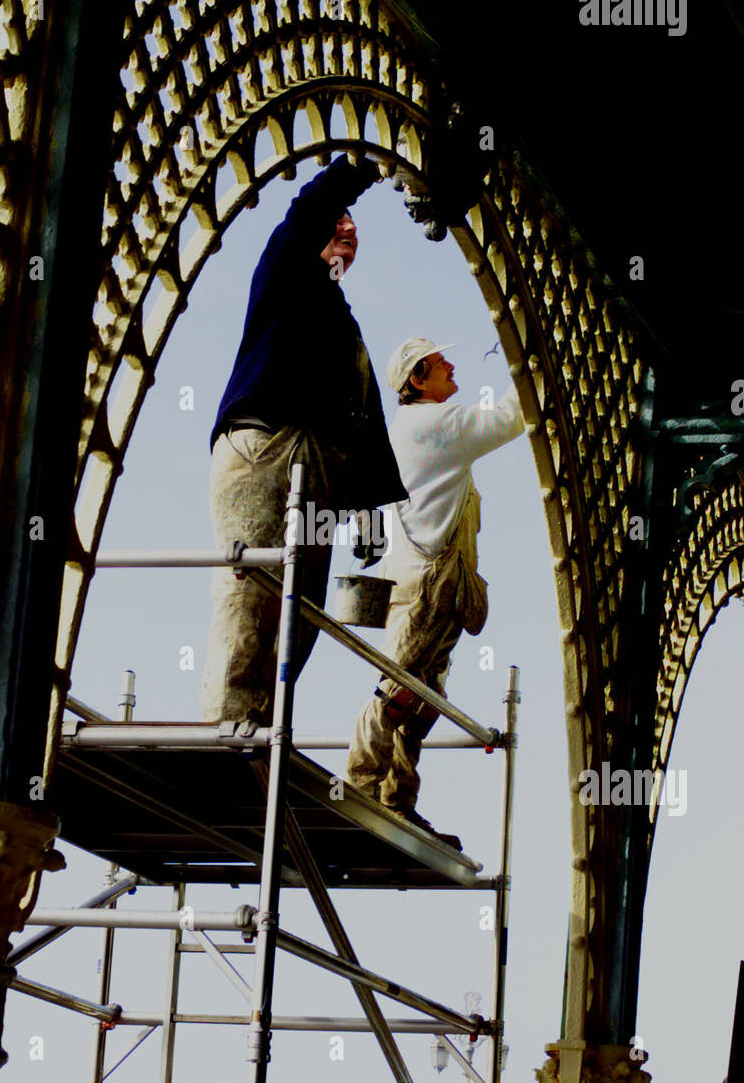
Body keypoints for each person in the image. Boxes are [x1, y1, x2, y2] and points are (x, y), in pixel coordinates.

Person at [201, 153, 406, 727]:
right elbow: (307, 209)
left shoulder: (342, 324)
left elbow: (363, 419)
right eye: (338, 224)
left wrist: (368, 512)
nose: (348, 230)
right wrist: (359, 168)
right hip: (267, 448)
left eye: (353, 228)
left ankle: (260, 731)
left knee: (298, 610)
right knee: (253, 592)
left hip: (314, 470)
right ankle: (228, 729)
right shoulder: (286, 266)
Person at [345, 337, 525, 836]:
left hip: (431, 583)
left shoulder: (415, 427)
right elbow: (512, 416)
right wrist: (534, 364)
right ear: (418, 381)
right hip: (428, 585)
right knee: (396, 689)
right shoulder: (435, 426)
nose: (451, 362)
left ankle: (394, 800)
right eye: (438, 361)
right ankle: (361, 791)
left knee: (419, 697)